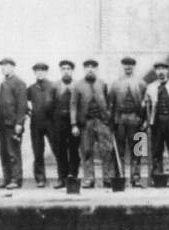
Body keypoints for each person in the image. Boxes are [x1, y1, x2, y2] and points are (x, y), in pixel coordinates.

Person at [74, 58, 116, 188]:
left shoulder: (102, 84)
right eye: (87, 67)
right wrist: (74, 124)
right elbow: (73, 105)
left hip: (102, 122)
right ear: (84, 69)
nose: (90, 69)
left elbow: (107, 102)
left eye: (93, 67)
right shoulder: (78, 86)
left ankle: (108, 178)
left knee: (107, 150)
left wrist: (108, 118)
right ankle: (89, 178)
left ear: (96, 69)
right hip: (86, 123)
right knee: (86, 151)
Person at [109, 56, 147, 187]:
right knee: (119, 150)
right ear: (122, 66)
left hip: (136, 119)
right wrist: (112, 122)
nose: (128, 67)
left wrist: (145, 120)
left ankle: (136, 178)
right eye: (125, 64)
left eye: (130, 64)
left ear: (134, 67)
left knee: (138, 150)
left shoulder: (141, 84)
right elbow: (111, 105)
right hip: (120, 119)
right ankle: (120, 177)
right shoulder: (115, 84)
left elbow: (147, 105)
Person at [0, 57, 28, 188]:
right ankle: (7, 179)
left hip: (13, 125)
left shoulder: (19, 83)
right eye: (2, 65)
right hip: (3, 125)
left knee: (13, 153)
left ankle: (16, 180)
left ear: (13, 67)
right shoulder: (3, 83)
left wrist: (19, 123)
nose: (3, 68)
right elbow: (0, 104)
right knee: (3, 153)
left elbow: (22, 105)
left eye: (6, 65)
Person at [26, 62, 58, 187]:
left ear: (46, 72)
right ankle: (40, 179)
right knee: (38, 151)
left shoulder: (52, 86)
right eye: (37, 71)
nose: (40, 73)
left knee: (57, 149)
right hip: (36, 123)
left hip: (51, 123)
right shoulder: (31, 88)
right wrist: (28, 112)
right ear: (34, 73)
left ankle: (63, 176)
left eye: (42, 70)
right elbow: (23, 101)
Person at [51, 60, 79, 187]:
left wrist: (76, 123)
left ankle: (73, 176)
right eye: (63, 68)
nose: (66, 71)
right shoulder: (55, 86)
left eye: (68, 68)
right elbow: (50, 105)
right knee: (60, 151)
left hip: (73, 122)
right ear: (60, 71)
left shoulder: (77, 86)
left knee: (73, 150)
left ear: (72, 71)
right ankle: (61, 178)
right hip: (59, 122)